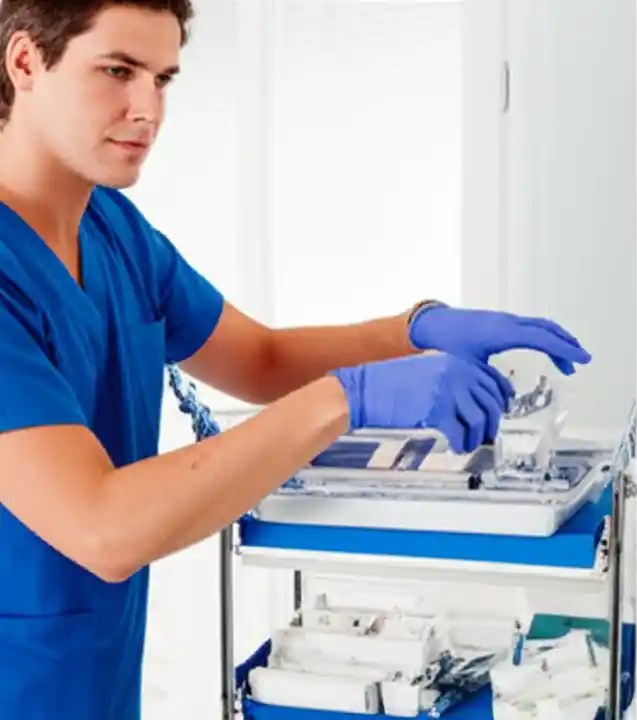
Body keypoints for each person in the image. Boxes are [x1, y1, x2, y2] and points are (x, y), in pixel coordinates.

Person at [0, 2, 591, 718]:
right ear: (25, 62)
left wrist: (421, 329)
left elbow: (259, 357)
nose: (147, 109)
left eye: (163, 79)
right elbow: (104, 527)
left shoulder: (114, 229)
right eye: (118, 72)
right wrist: (350, 397)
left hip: (96, 680)